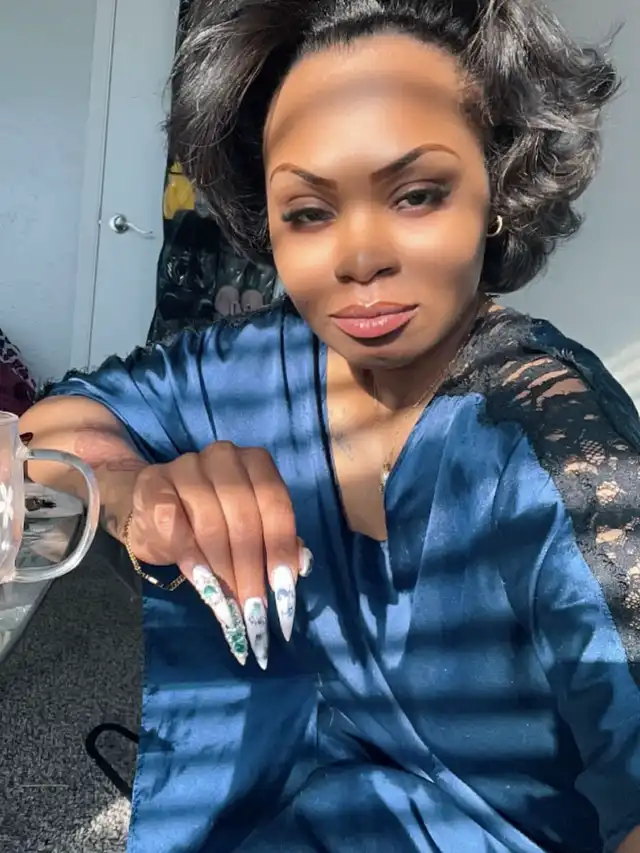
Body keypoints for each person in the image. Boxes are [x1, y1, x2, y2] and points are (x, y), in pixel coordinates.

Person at [20, 1, 640, 851]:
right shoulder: (259, 361)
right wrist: (134, 492)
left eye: (416, 194)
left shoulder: (563, 454)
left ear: (495, 189)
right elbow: (52, 424)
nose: (358, 258)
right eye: (309, 211)